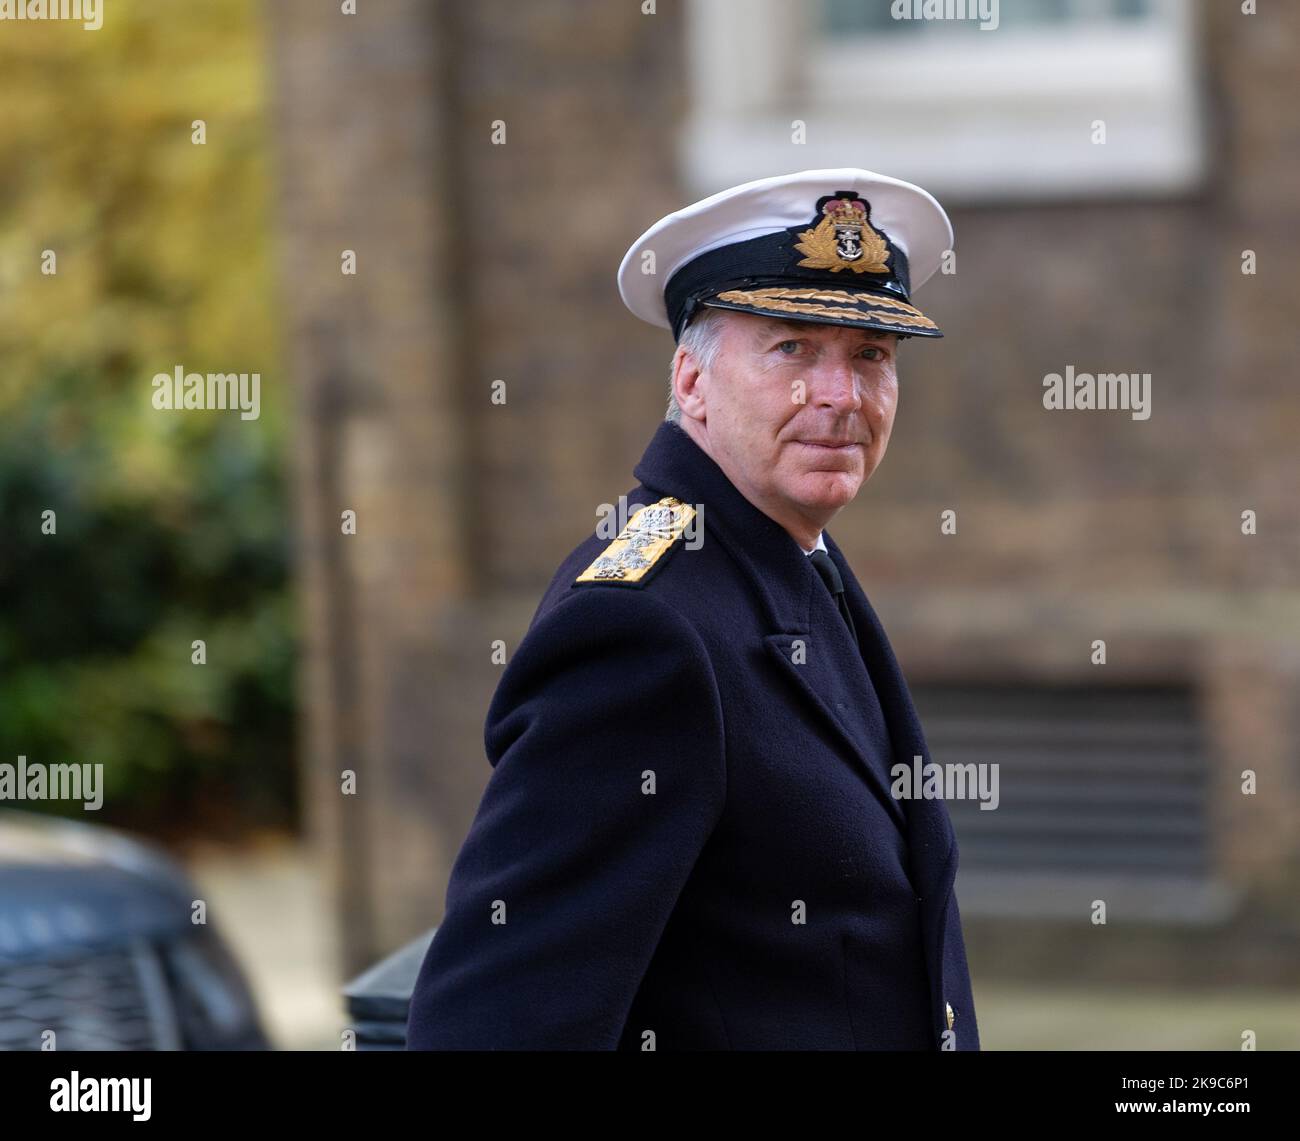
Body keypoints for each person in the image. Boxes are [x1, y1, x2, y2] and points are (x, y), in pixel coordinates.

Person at [406, 168, 979, 1050]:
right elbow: (496, 1020)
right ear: (692, 379)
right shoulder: (643, 628)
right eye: (792, 348)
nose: (841, 396)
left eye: (871, 355)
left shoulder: (790, 557)